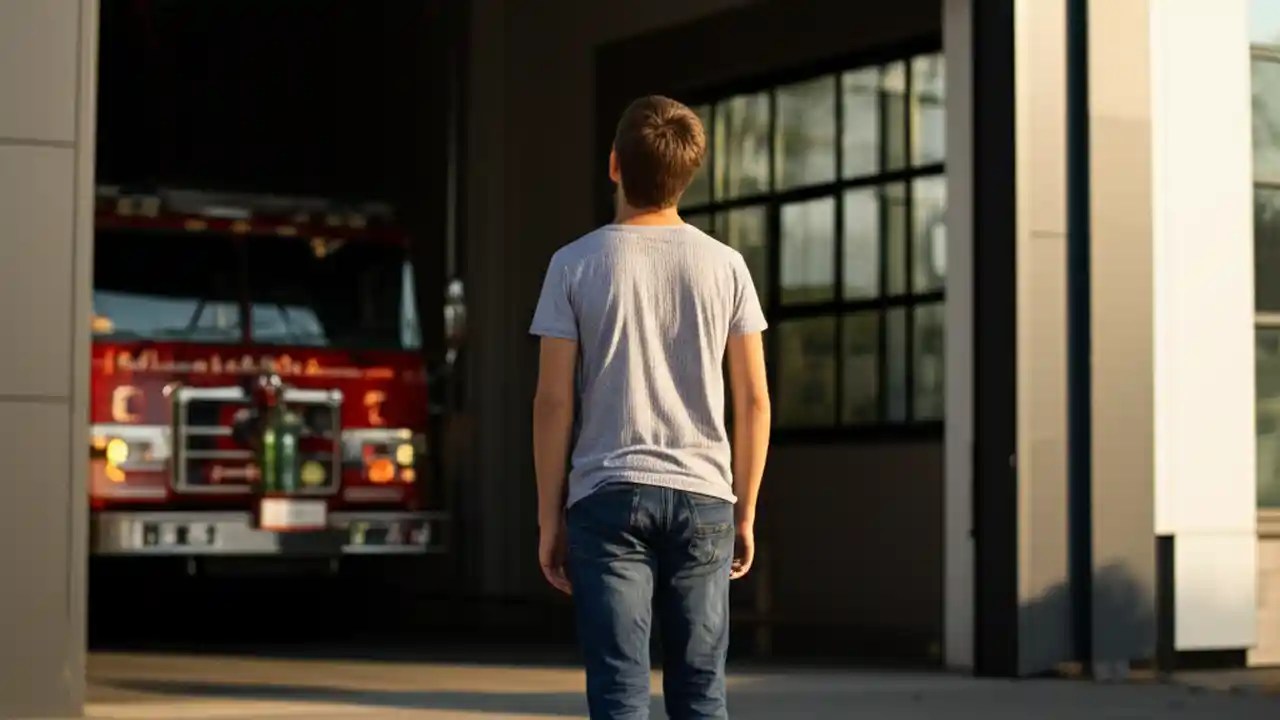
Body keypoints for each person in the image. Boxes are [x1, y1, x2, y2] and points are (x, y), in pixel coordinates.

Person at [530, 95, 771, 720]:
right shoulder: (727, 266)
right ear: (690, 174)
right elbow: (753, 399)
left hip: (606, 497)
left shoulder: (573, 264)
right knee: (701, 693)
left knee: (619, 692)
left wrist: (549, 517)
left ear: (614, 165)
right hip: (705, 498)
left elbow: (553, 401)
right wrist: (745, 510)